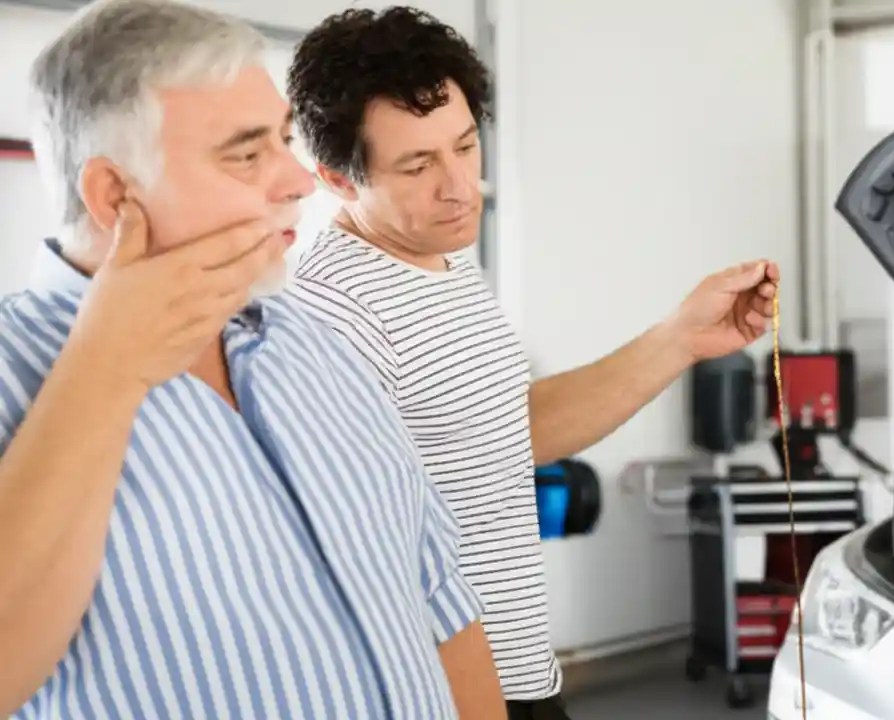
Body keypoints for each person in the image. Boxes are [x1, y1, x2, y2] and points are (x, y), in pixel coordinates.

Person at [0, 0, 504, 717]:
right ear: (114, 195)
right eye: (245, 154)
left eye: (284, 141)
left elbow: (439, 594)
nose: (297, 180)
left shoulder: (315, 347)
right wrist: (105, 366)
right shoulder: (11, 372)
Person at [286, 8, 780, 718]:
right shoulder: (335, 315)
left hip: (519, 674)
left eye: (464, 146)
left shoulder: (439, 257)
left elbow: (512, 429)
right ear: (336, 176)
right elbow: (354, 558)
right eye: (418, 165)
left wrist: (681, 338)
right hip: (443, 697)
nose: (459, 186)